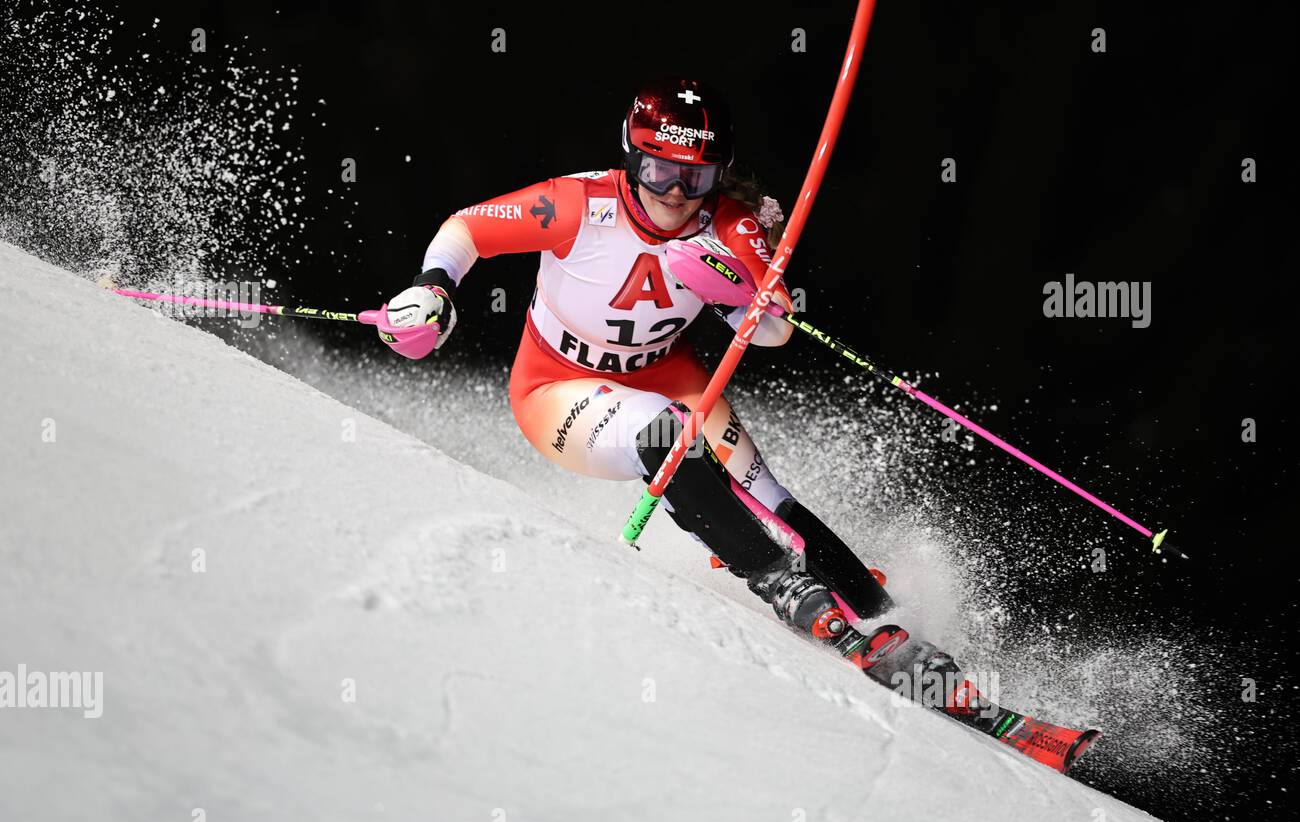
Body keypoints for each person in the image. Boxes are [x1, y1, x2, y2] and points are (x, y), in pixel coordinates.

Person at [375, 77, 1021, 743]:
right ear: (631, 157)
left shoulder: (733, 222)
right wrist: (434, 289)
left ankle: (895, 630)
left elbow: (775, 330)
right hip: (555, 389)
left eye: (698, 177)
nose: (677, 196)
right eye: (659, 172)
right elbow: (467, 229)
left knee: (764, 490)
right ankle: (780, 585)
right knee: (664, 432)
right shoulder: (578, 204)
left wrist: (740, 293)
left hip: (669, 374)